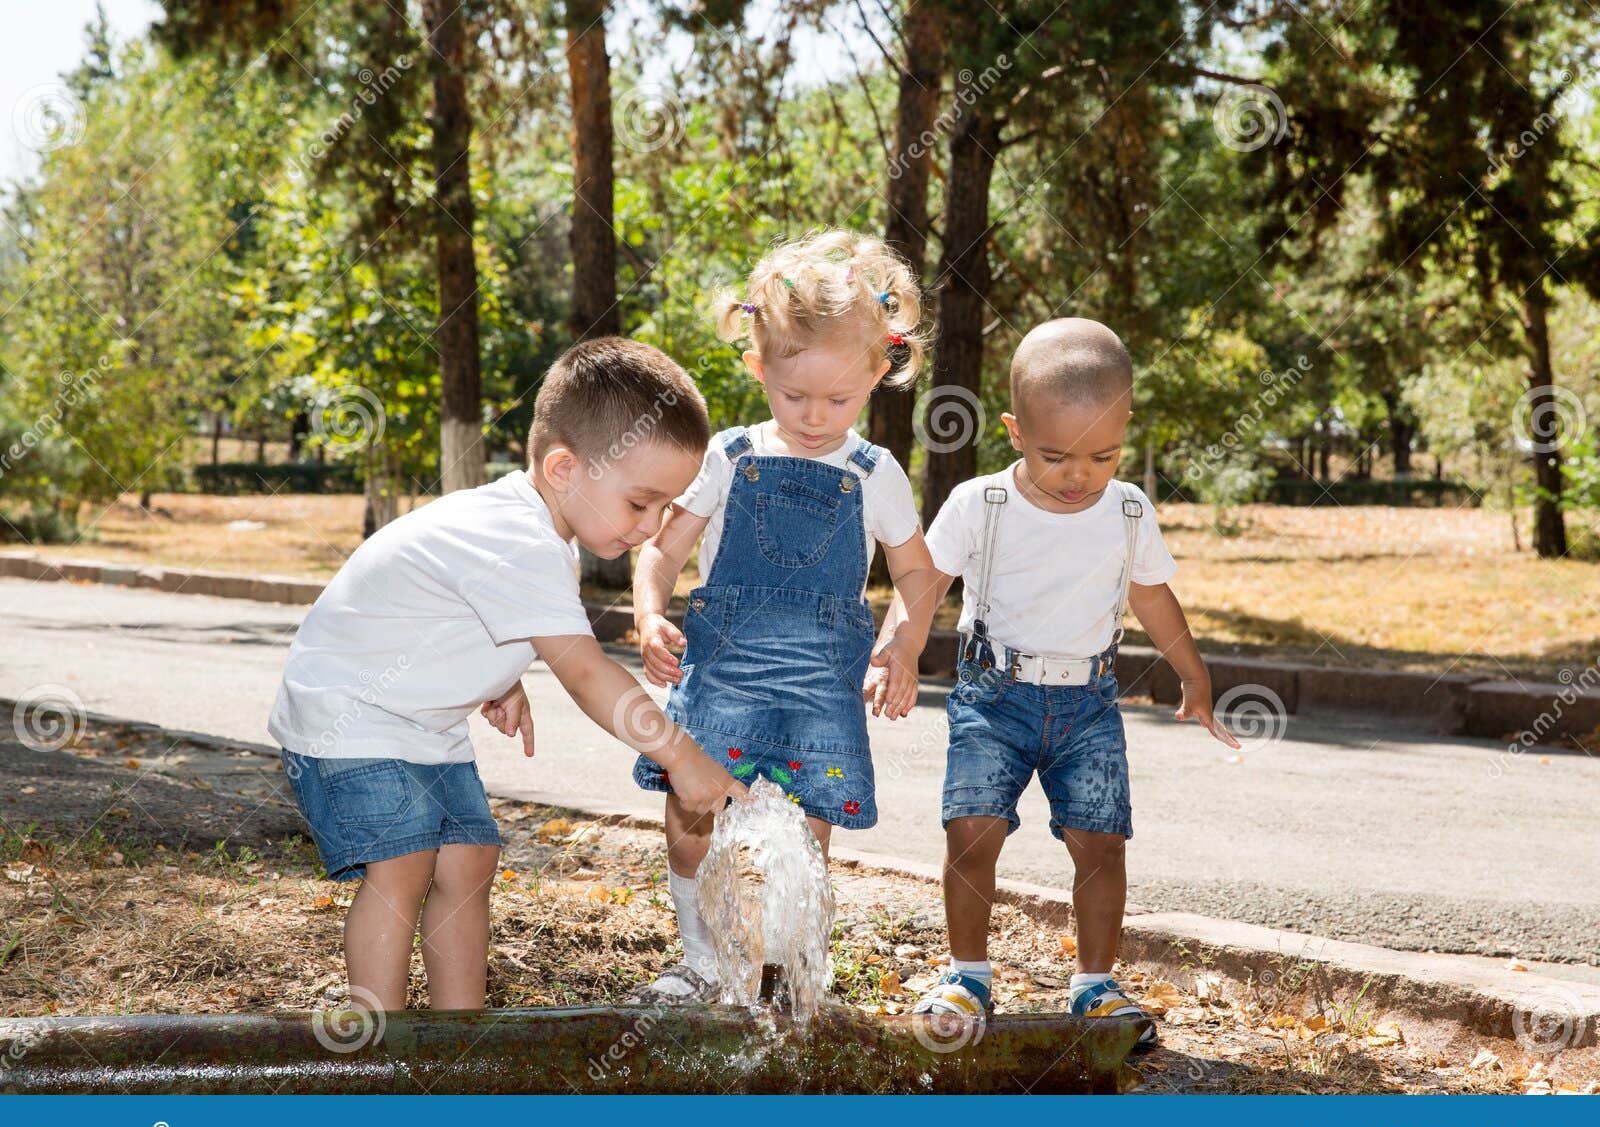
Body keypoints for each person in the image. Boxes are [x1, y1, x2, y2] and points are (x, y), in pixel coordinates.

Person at [269, 337, 744, 1012]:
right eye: (641, 502)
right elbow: (584, 670)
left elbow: (452, 604)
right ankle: (375, 1047)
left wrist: (499, 673)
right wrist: (680, 753)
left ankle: (458, 1033)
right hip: (348, 713)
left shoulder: (536, 529)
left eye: (666, 507)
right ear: (562, 467)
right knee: (401, 864)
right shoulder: (518, 536)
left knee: (469, 858)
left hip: (415, 720)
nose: (653, 525)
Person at [888, 318, 1240, 1045]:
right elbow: (926, 579)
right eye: (1056, 455)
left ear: (1126, 429)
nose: (1079, 473)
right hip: (994, 697)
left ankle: (1096, 986)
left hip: (1089, 703)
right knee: (971, 830)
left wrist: (1195, 673)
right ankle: (966, 976)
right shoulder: (979, 503)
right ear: (1015, 430)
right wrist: (902, 642)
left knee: (1100, 841)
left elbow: (1150, 597)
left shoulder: (1128, 510)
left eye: (1102, 454)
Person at [628, 229, 944, 1004]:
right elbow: (660, 554)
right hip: (724, 672)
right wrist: (648, 615)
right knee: (690, 817)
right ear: (757, 366)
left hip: (820, 690)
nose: (813, 416)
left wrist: (902, 648)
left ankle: (785, 973)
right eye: (793, 394)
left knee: (806, 835)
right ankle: (702, 959)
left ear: (879, 371)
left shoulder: (875, 472)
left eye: (838, 399)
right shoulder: (730, 456)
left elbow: (919, 575)